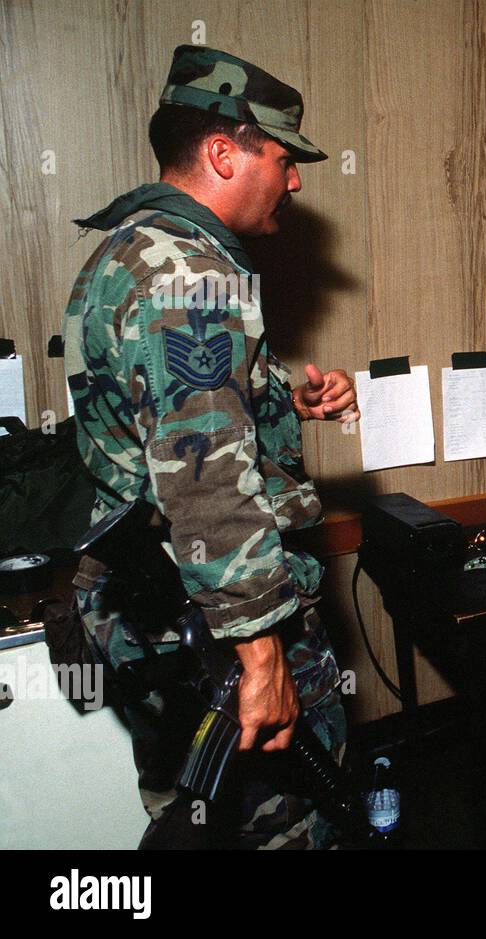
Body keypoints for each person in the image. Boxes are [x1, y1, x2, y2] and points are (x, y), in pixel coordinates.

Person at [63, 45, 359, 848]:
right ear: (224, 152)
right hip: (219, 633)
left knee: (189, 817)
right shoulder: (194, 279)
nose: (295, 180)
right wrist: (263, 656)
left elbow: (159, 423)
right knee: (283, 822)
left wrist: (277, 401)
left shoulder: (129, 250)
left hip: (150, 615)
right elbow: (206, 485)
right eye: (282, 155)